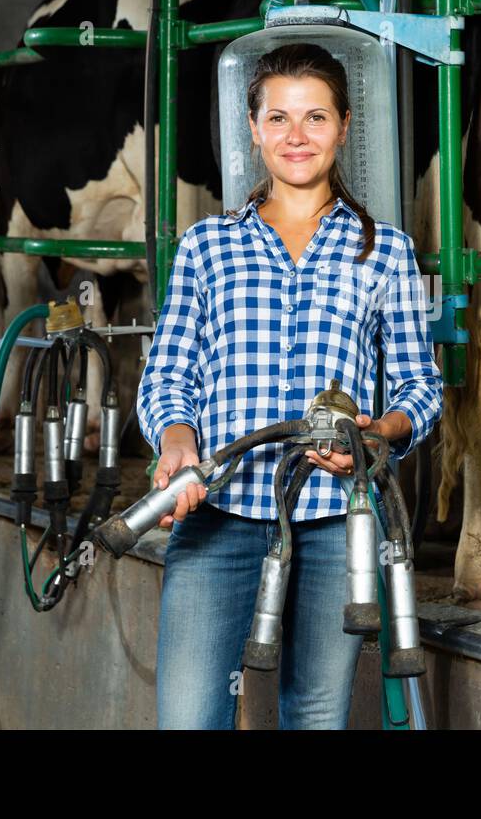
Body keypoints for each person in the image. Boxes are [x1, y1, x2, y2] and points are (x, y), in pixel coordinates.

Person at [137, 42, 443, 729]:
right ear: (252, 127)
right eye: (278, 118)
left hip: (338, 518)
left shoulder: (384, 251)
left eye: (315, 118)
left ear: (344, 125)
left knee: (316, 713)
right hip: (219, 509)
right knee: (190, 716)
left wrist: (378, 432)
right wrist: (178, 438)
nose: (296, 136)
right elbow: (168, 372)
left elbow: (420, 387)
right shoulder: (207, 245)